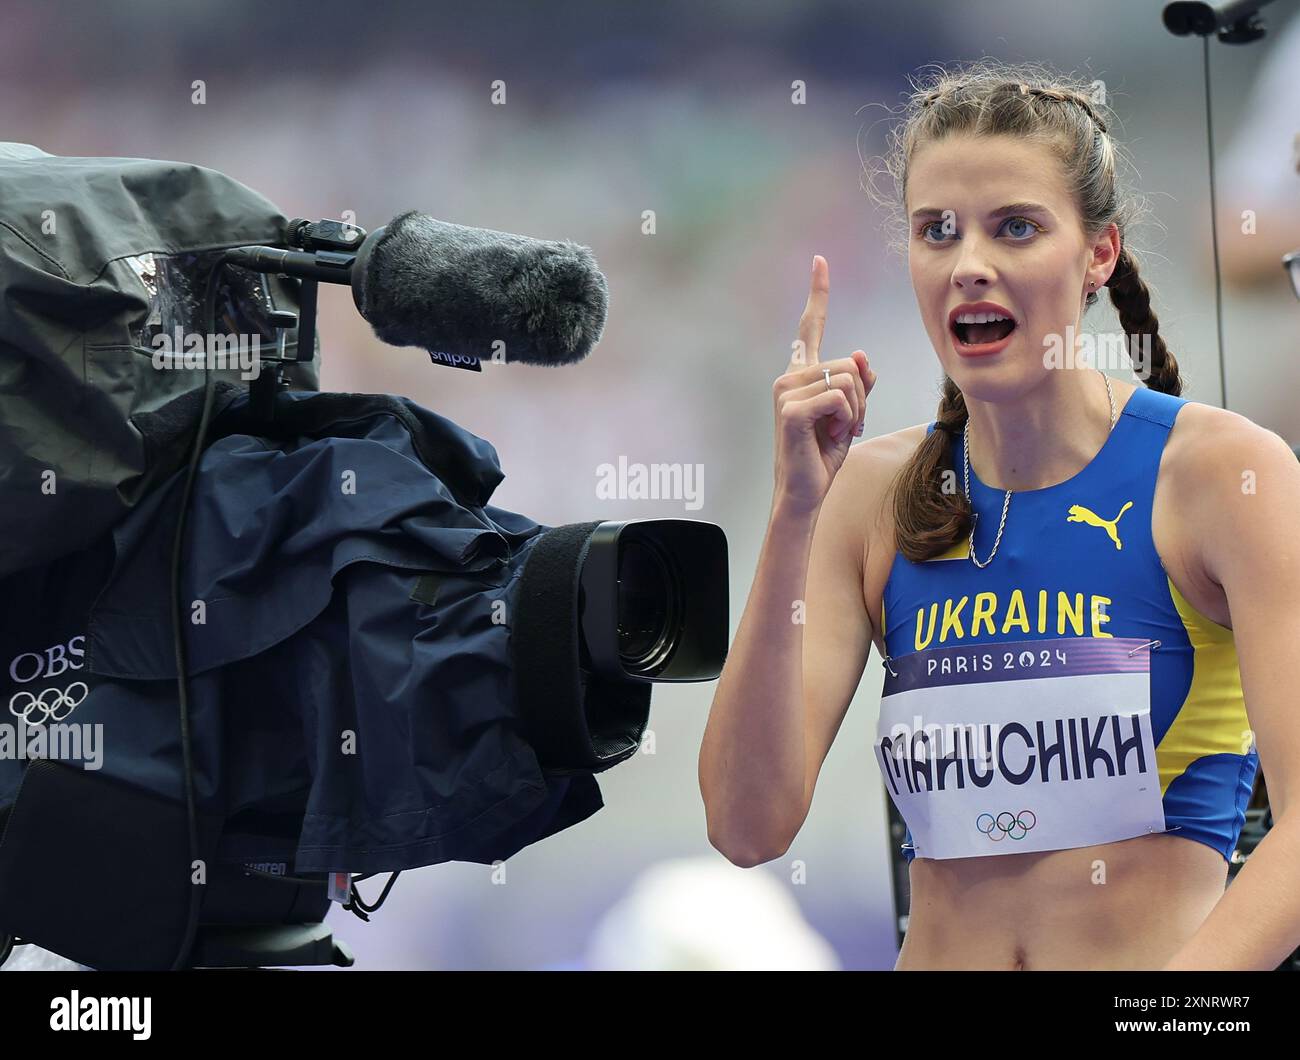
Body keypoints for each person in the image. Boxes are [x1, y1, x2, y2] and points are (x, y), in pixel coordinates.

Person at [698, 59, 1300, 971]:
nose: (969, 265)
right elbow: (746, 827)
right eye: (935, 231)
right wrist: (791, 518)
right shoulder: (863, 494)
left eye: (1015, 228)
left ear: (1099, 252)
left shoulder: (1224, 475)